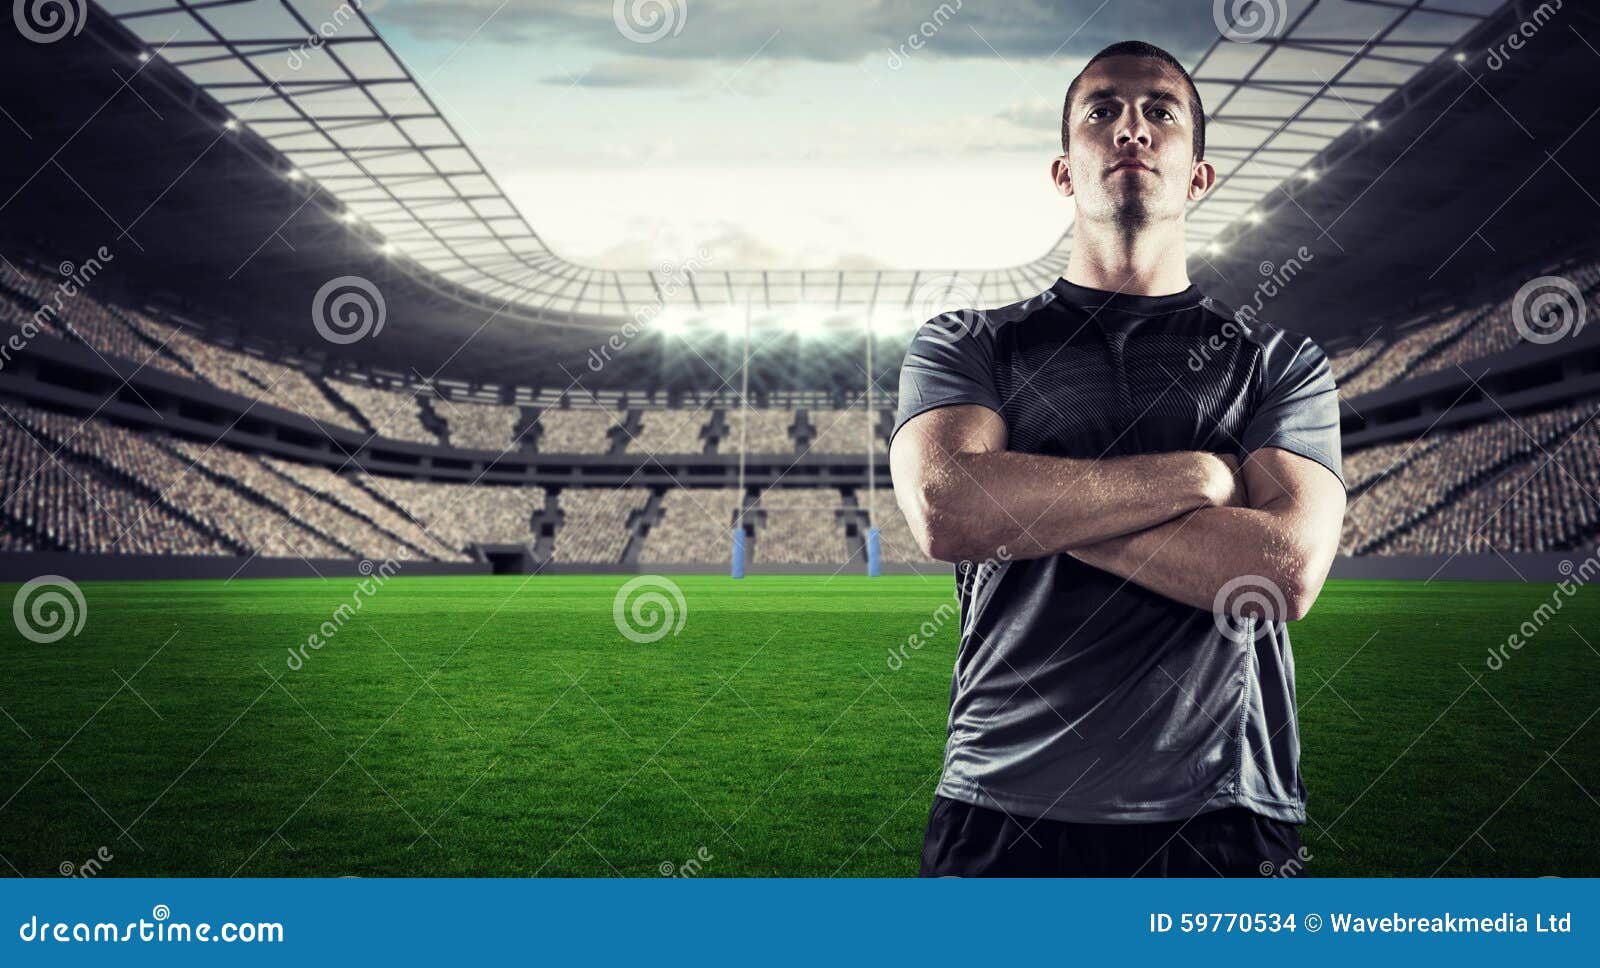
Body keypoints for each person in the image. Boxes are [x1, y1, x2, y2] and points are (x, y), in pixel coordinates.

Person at [889, 40, 1347, 877]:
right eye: (1102, 111)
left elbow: (1280, 576)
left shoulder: (1279, 362)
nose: (1131, 128)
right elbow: (950, 511)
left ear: (1198, 176)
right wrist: (1197, 480)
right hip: (1001, 796)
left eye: (1159, 112)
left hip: (1223, 811)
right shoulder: (968, 342)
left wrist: (1028, 506)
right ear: (1064, 171)